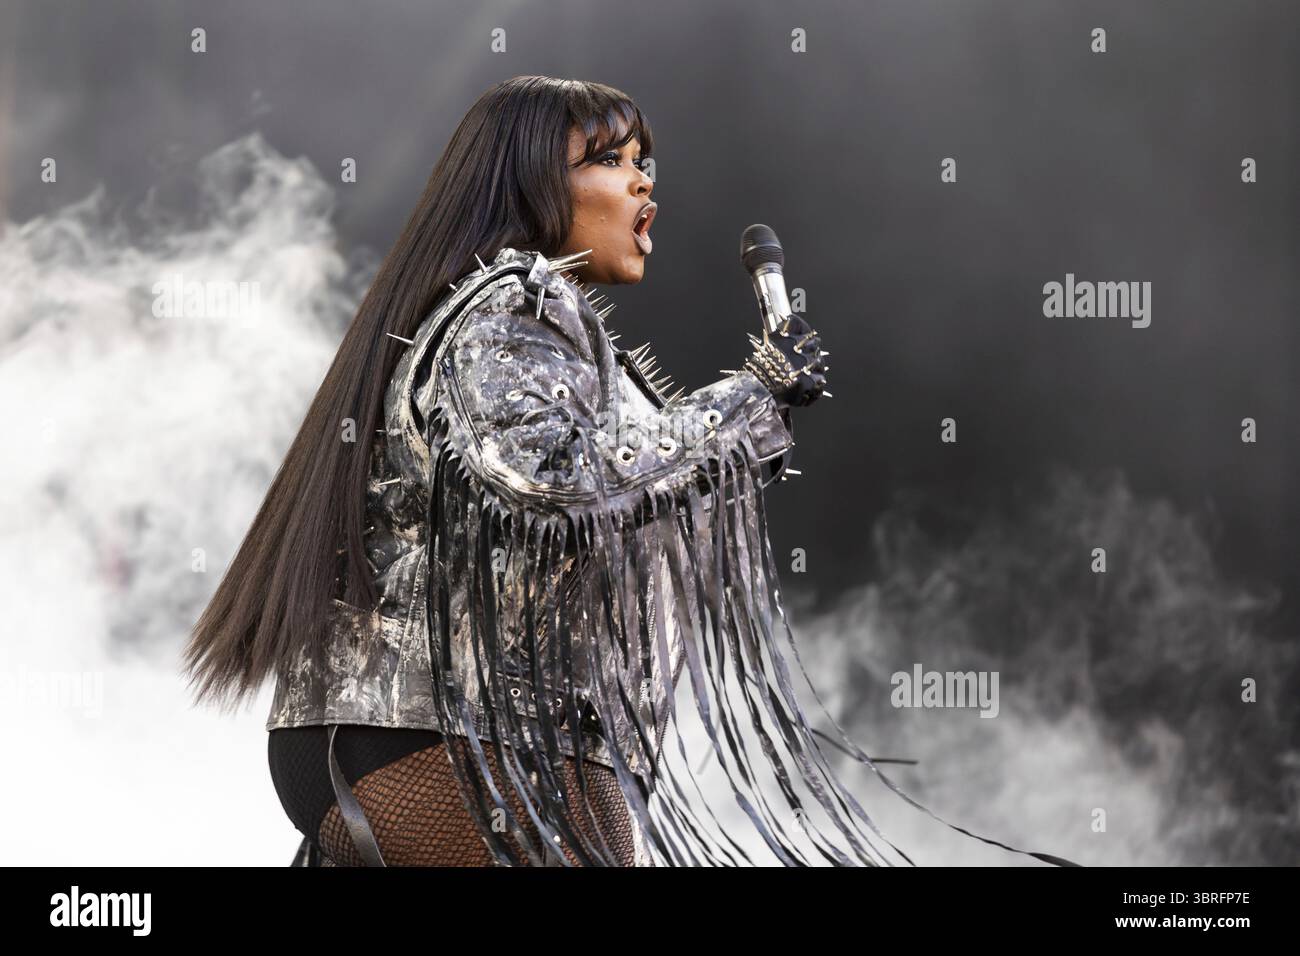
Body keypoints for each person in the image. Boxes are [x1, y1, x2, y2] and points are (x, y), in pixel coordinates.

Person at [185, 75, 1068, 868]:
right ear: (528, 185)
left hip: (406, 740)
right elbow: (554, 476)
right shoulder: (517, 302)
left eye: (645, 160)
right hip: (470, 744)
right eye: (609, 160)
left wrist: (738, 424)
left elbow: (592, 484)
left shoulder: (485, 315)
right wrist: (750, 399)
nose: (645, 180)